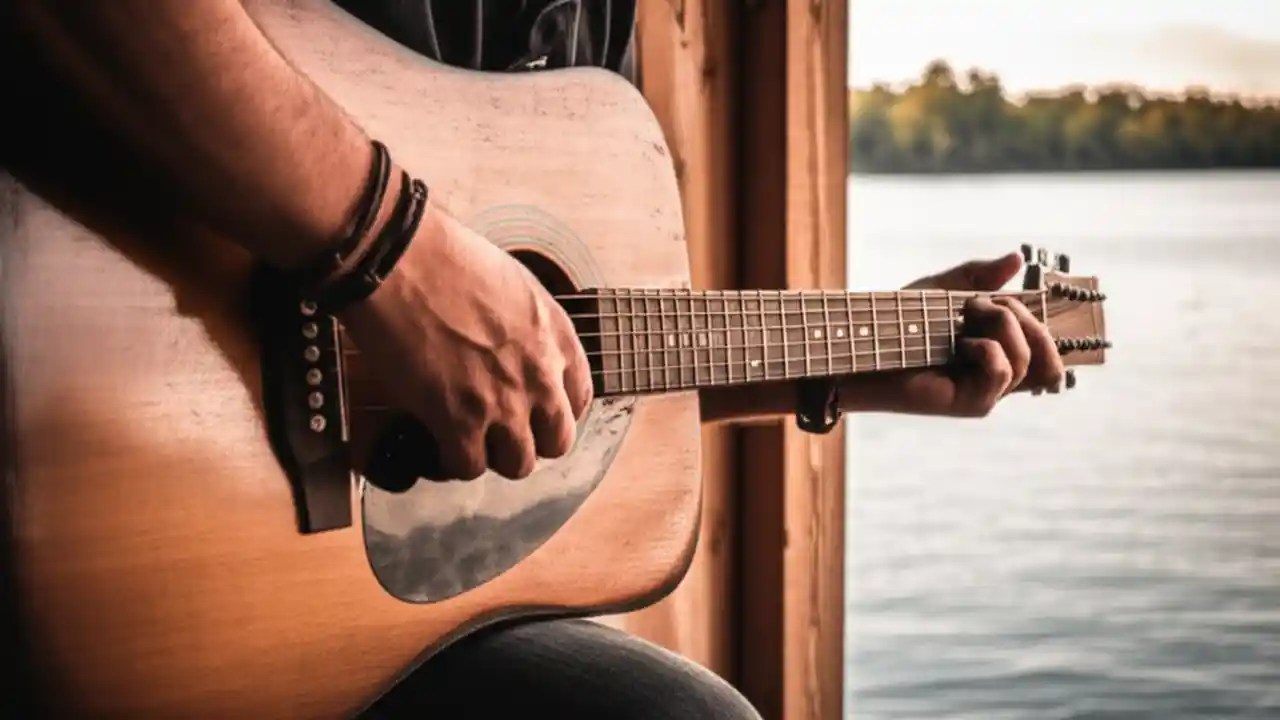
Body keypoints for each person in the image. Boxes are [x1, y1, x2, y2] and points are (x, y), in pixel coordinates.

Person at [4, 2, 1064, 718]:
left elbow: (542, 370)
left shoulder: (598, 17)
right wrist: (391, 257)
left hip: (318, 601)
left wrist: (830, 369)